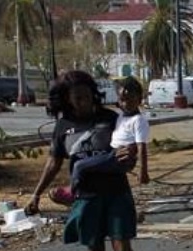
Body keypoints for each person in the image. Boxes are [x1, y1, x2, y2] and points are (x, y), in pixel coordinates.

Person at [26, 70, 142, 251]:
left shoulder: (111, 118)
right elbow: (54, 162)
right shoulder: (63, 127)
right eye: (76, 98)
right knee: (94, 249)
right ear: (67, 100)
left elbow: (129, 147)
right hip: (86, 197)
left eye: (86, 96)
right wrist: (35, 195)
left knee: (122, 248)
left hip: (116, 192)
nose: (82, 102)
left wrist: (129, 157)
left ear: (93, 95)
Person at [49, 76, 150, 205]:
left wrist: (143, 171)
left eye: (130, 100)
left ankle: (73, 193)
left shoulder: (138, 120)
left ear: (139, 100)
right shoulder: (120, 117)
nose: (126, 104)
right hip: (111, 155)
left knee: (79, 166)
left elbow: (141, 146)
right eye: (122, 100)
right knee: (90, 166)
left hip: (118, 158)